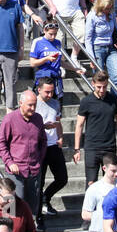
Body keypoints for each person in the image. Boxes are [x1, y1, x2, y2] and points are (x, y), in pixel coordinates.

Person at [73, 71, 117, 185]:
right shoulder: (86, 102)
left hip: (109, 147)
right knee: (91, 183)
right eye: (98, 87)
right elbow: (79, 125)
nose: (102, 90)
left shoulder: (113, 99)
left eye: (105, 87)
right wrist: (77, 149)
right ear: (93, 83)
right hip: (92, 147)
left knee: (111, 182)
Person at [0, 89, 48, 218]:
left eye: (34, 105)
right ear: (20, 103)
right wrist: (10, 162)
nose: (32, 108)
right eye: (29, 105)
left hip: (34, 171)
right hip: (15, 171)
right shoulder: (10, 119)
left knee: (32, 209)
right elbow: (0, 144)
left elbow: (43, 141)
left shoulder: (38, 119)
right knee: (11, 209)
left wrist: (39, 160)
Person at [34, 77, 69, 223]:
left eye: (52, 91)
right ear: (39, 89)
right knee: (39, 182)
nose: (50, 95)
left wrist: (60, 136)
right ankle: (38, 216)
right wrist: (43, 127)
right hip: (39, 147)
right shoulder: (33, 104)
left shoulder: (55, 103)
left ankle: (45, 198)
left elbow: (58, 122)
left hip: (53, 145)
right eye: (47, 92)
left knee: (62, 178)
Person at [82, 0, 117, 92]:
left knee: (115, 77)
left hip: (111, 48)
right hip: (97, 48)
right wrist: (91, 57)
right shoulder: (92, 16)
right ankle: (99, 101)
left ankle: (114, 101)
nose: (107, 10)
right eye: (106, 8)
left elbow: (116, 29)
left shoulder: (111, 14)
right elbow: (88, 38)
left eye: (109, 8)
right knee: (99, 79)